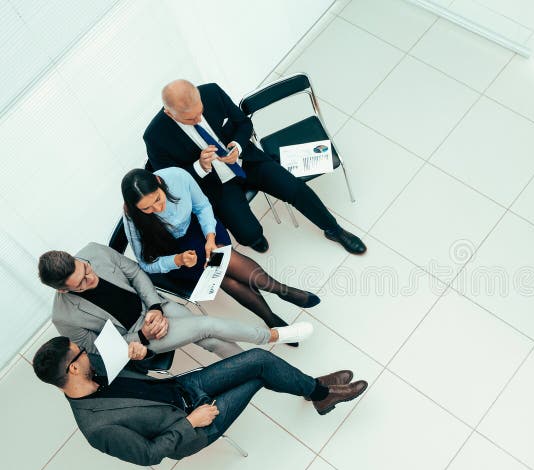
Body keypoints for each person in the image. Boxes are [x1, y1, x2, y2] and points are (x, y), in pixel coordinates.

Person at [32, 337, 368, 466]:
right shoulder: (97, 427)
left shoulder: (96, 372)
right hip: (192, 427)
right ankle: (318, 393)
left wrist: (139, 350)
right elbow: (149, 454)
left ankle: (316, 392)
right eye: (81, 353)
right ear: (73, 367)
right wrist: (190, 423)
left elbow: (140, 375)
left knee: (257, 359)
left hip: (185, 388)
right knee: (258, 377)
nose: (88, 352)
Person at [143, 79, 366, 255]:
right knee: (248, 235)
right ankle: (254, 236)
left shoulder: (211, 92)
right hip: (215, 185)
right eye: (190, 120)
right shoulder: (155, 137)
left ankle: (334, 230)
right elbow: (171, 183)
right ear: (169, 113)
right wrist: (200, 166)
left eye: (200, 112)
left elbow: (243, 122)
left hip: (246, 161)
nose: (199, 119)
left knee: (295, 188)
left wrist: (238, 147)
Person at [121, 167, 319, 333]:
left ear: (159, 181)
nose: (157, 209)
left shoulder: (177, 176)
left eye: (158, 199)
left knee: (225, 261)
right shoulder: (131, 217)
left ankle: (280, 296)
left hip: (200, 229)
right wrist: (177, 260)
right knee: (222, 275)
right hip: (174, 252)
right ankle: (272, 312)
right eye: (147, 209)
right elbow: (146, 263)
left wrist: (210, 237)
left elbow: (202, 207)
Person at [38, 244, 312, 358]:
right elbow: (99, 350)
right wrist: (143, 337)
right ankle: (270, 336)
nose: (91, 277)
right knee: (206, 326)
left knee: (212, 340)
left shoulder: (94, 251)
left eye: (85, 269)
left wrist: (155, 306)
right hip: (141, 335)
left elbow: (134, 272)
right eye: (82, 283)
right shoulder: (64, 317)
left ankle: (254, 364)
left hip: (155, 305)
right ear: (63, 291)